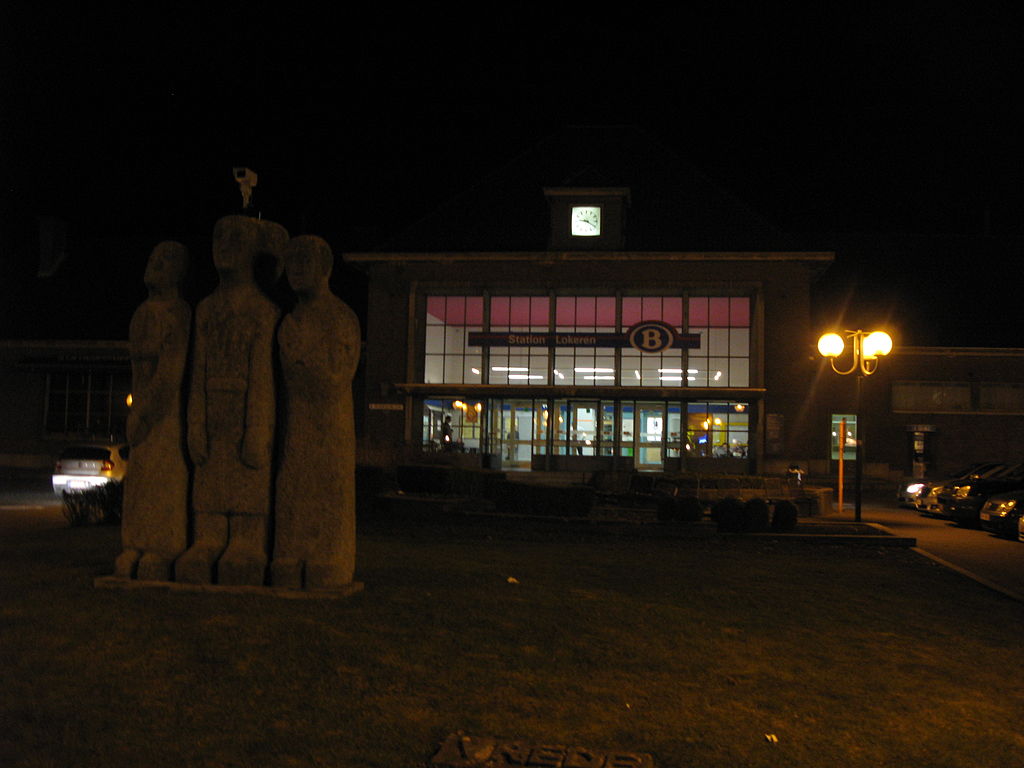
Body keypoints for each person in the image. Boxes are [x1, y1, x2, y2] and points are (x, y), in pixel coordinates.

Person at [115, 241, 190, 582]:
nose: (154, 265)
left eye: (164, 261)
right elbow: (138, 368)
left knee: (164, 476)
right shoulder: (142, 313)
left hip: (163, 415)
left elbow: (169, 373)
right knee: (142, 479)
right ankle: (135, 543)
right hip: (142, 411)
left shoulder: (179, 313)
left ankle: (162, 546)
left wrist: (143, 412)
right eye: (153, 258)